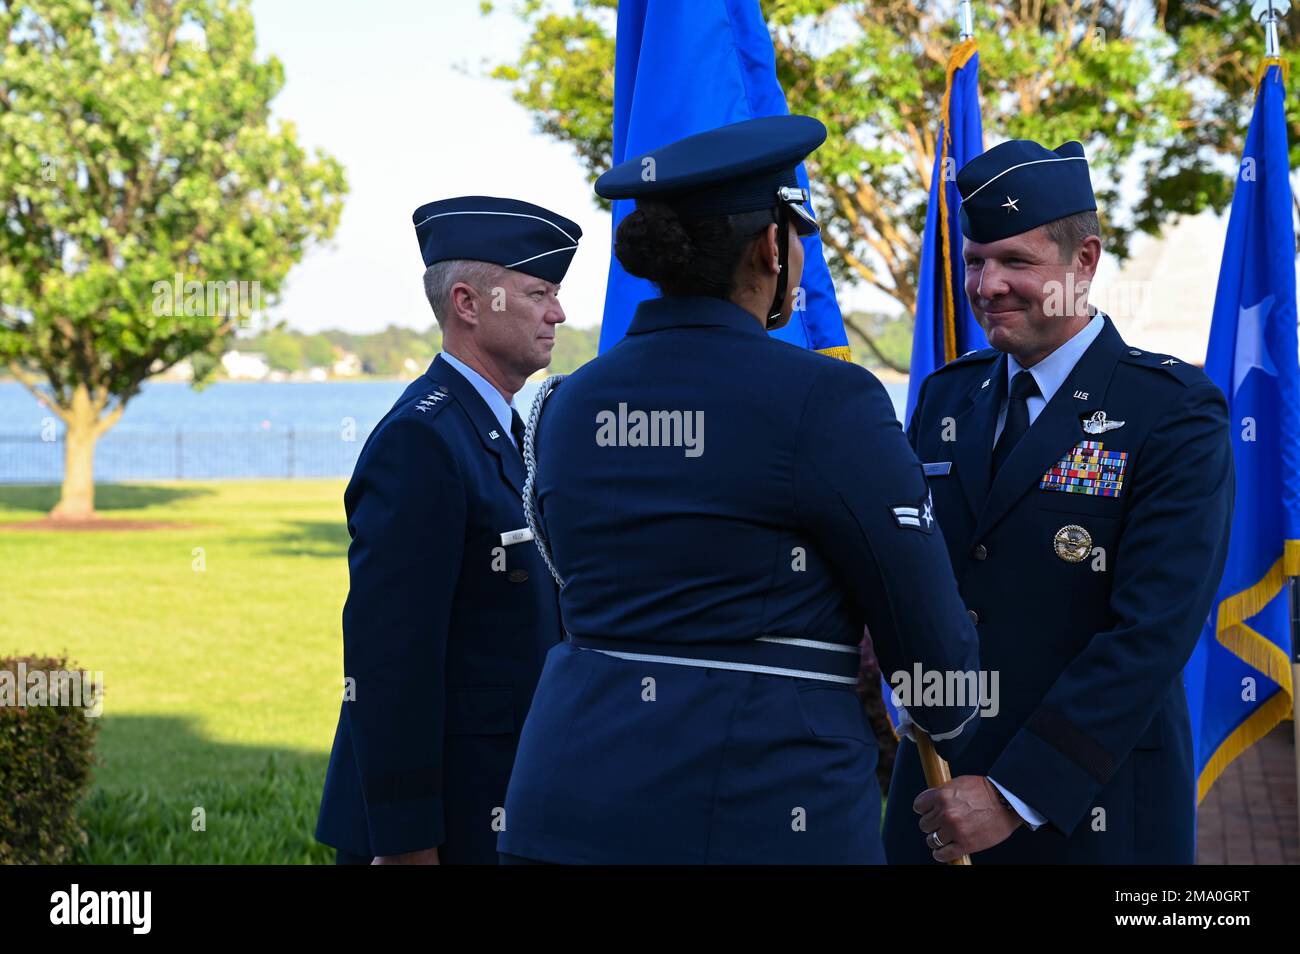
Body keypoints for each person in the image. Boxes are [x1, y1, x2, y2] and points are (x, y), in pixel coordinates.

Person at [498, 115, 981, 865]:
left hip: (561, 806)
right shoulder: (828, 399)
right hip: (757, 814)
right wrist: (953, 727)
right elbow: (925, 633)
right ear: (771, 246)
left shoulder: (564, 402)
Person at [883, 140, 1234, 864]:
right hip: (936, 786)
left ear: (1085, 262)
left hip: (1089, 805)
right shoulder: (949, 394)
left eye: (1017, 262)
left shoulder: (1170, 411)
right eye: (976, 260)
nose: (987, 285)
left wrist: (1016, 791)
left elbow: (1153, 632)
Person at [315, 195, 581, 864]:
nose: (559, 312)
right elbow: (390, 660)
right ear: (468, 303)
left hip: (507, 797)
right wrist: (406, 843)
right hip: (446, 824)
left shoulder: (506, 428)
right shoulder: (423, 439)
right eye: (539, 292)